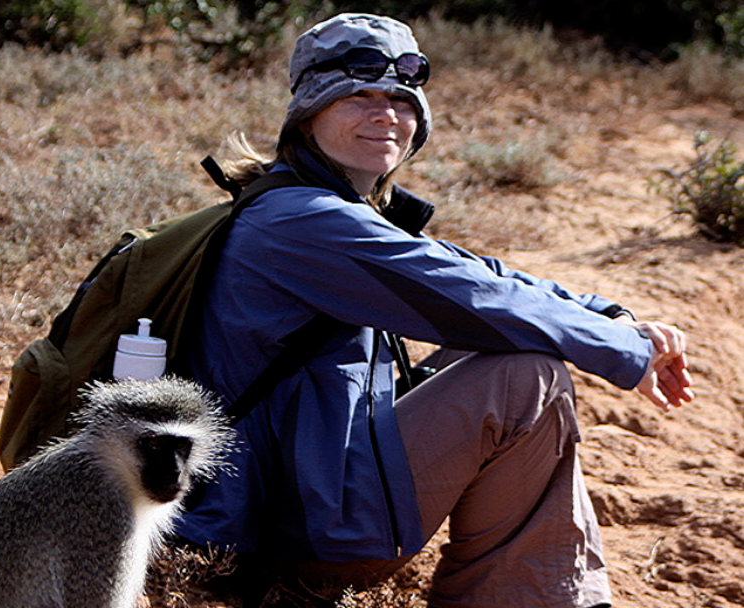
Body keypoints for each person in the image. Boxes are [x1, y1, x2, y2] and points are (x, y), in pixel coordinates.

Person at [173, 12, 693, 608]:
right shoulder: (304, 220)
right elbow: (473, 297)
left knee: (499, 350)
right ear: (308, 114)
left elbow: (480, 274)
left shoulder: (316, 202)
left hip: (297, 496)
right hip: (278, 537)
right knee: (525, 379)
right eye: (356, 96)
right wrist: (625, 351)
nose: (384, 113)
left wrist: (614, 319)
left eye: (400, 98)